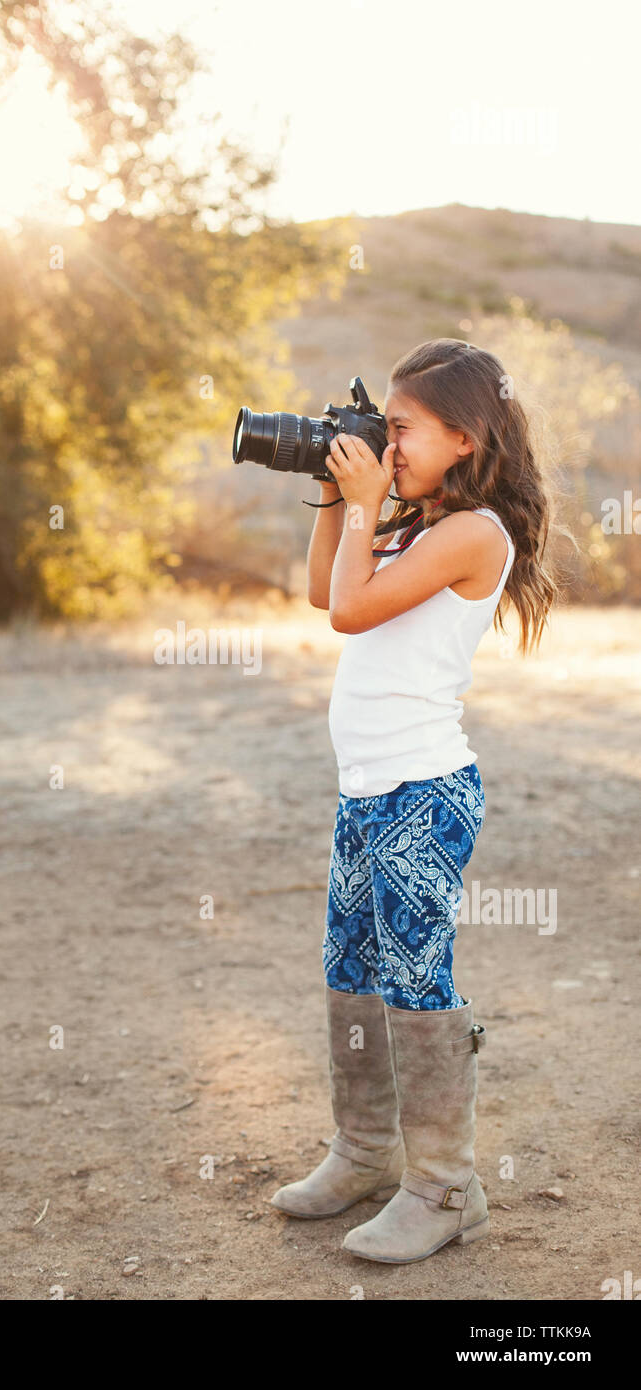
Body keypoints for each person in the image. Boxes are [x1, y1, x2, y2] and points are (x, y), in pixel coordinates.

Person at [270, 338, 558, 1263]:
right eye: (380, 427)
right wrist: (334, 494)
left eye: (400, 430)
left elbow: (355, 613)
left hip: (423, 797)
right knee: (350, 966)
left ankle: (445, 1189)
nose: (384, 446)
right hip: (366, 795)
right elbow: (327, 592)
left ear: (464, 439)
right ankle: (363, 1152)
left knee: (415, 978)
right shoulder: (413, 520)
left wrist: (365, 506)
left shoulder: (472, 536)